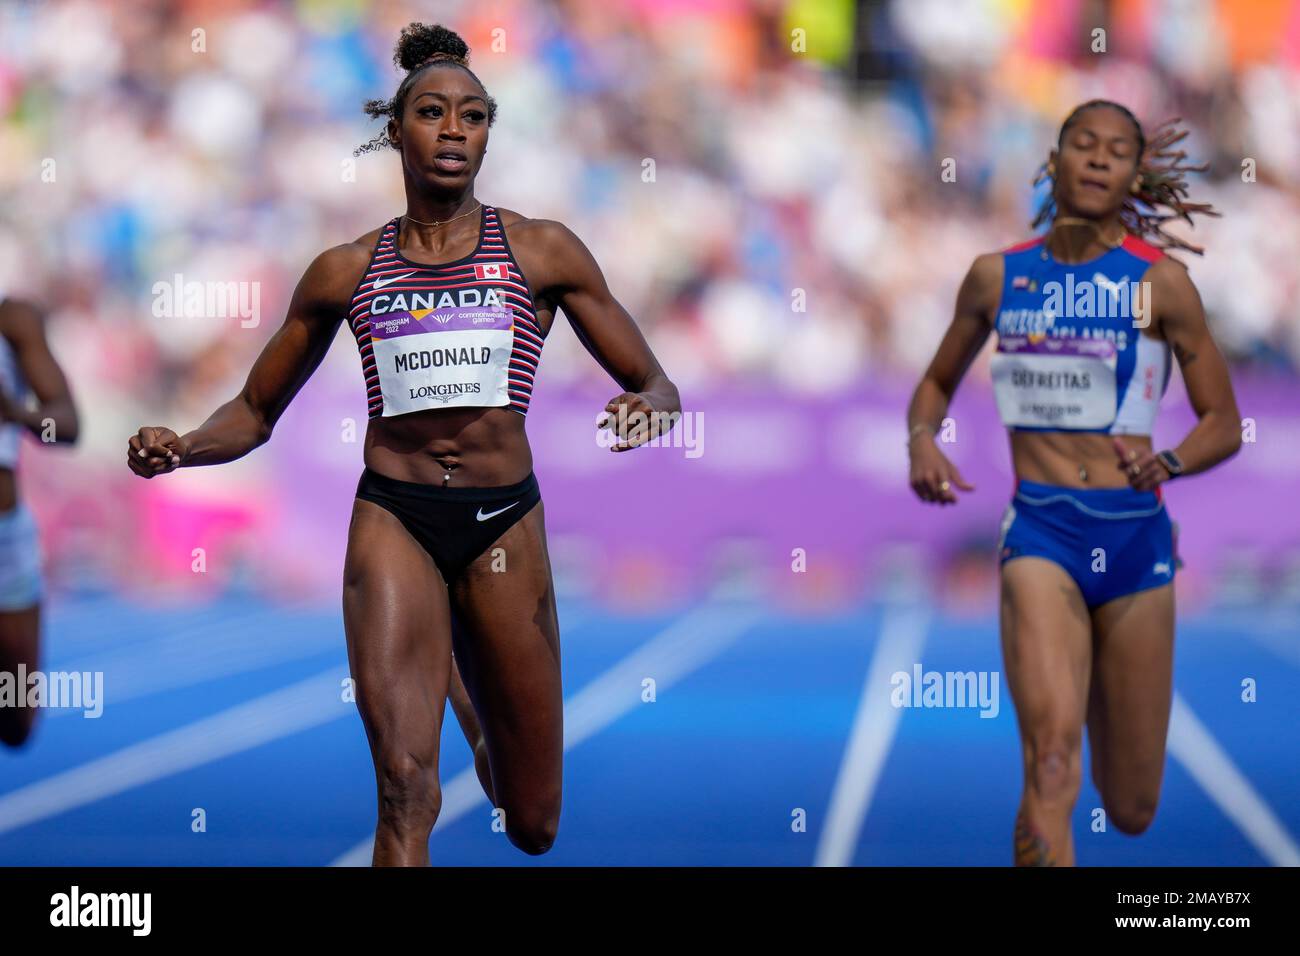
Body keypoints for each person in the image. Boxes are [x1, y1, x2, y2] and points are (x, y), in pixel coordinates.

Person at [126, 22, 680, 865]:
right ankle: (432, 663)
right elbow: (254, 411)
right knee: (406, 789)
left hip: (503, 524)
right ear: (396, 130)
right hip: (396, 517)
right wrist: (184, 446)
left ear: (490, 130)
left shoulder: (542, 251)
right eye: (432, 112)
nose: (454, 130)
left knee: (531, 822)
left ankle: (460, 686)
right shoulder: (345, 271)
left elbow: (658, 383)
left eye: (473, 116)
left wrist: (648, 409)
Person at [905, 100, 1241, 865]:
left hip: (1134, 540)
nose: (1096, 158)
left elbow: (1224, 419)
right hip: (1041, 536)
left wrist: (1173, 461)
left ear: (1133, 174)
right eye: (1081, 144)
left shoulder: (1164, 287)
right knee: (1051, 760)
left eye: (1116, 150)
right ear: (1052, 161)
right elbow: (933, 384)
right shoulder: (997, 279)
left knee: (1131, 806)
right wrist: (922, 438)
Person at [0, 292, 80, 747]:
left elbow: (66, 425)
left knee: (15, 721)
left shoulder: (13, 318)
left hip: (5, 544)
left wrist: (16, 413)